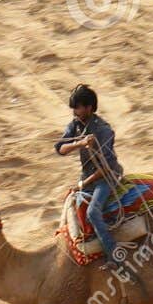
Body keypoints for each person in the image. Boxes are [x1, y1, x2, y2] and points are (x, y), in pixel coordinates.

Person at [54, 84, 126, 271]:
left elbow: (105, 168)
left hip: (106, 177)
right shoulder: (76, 125)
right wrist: (79, 143)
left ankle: (115, 256)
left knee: (92, 213)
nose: (75, 111)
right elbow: (60, 148)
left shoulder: (104, 131)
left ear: (89, 107)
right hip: (88, 175)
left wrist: (82, 184)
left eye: (78, 107)